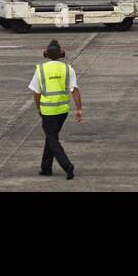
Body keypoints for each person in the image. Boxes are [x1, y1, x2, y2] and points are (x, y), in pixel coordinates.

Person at [29, 39, 81, 179]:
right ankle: (46, 168)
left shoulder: (41, 70)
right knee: (51, 136)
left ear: (45, 54)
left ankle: (67, 165)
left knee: (52, 139)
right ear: (61, 54)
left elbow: (36, 93)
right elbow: (74, 90)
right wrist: (79, 109)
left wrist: (38, 107)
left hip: (48, 111)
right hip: (63, 110)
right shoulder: (68, 69)